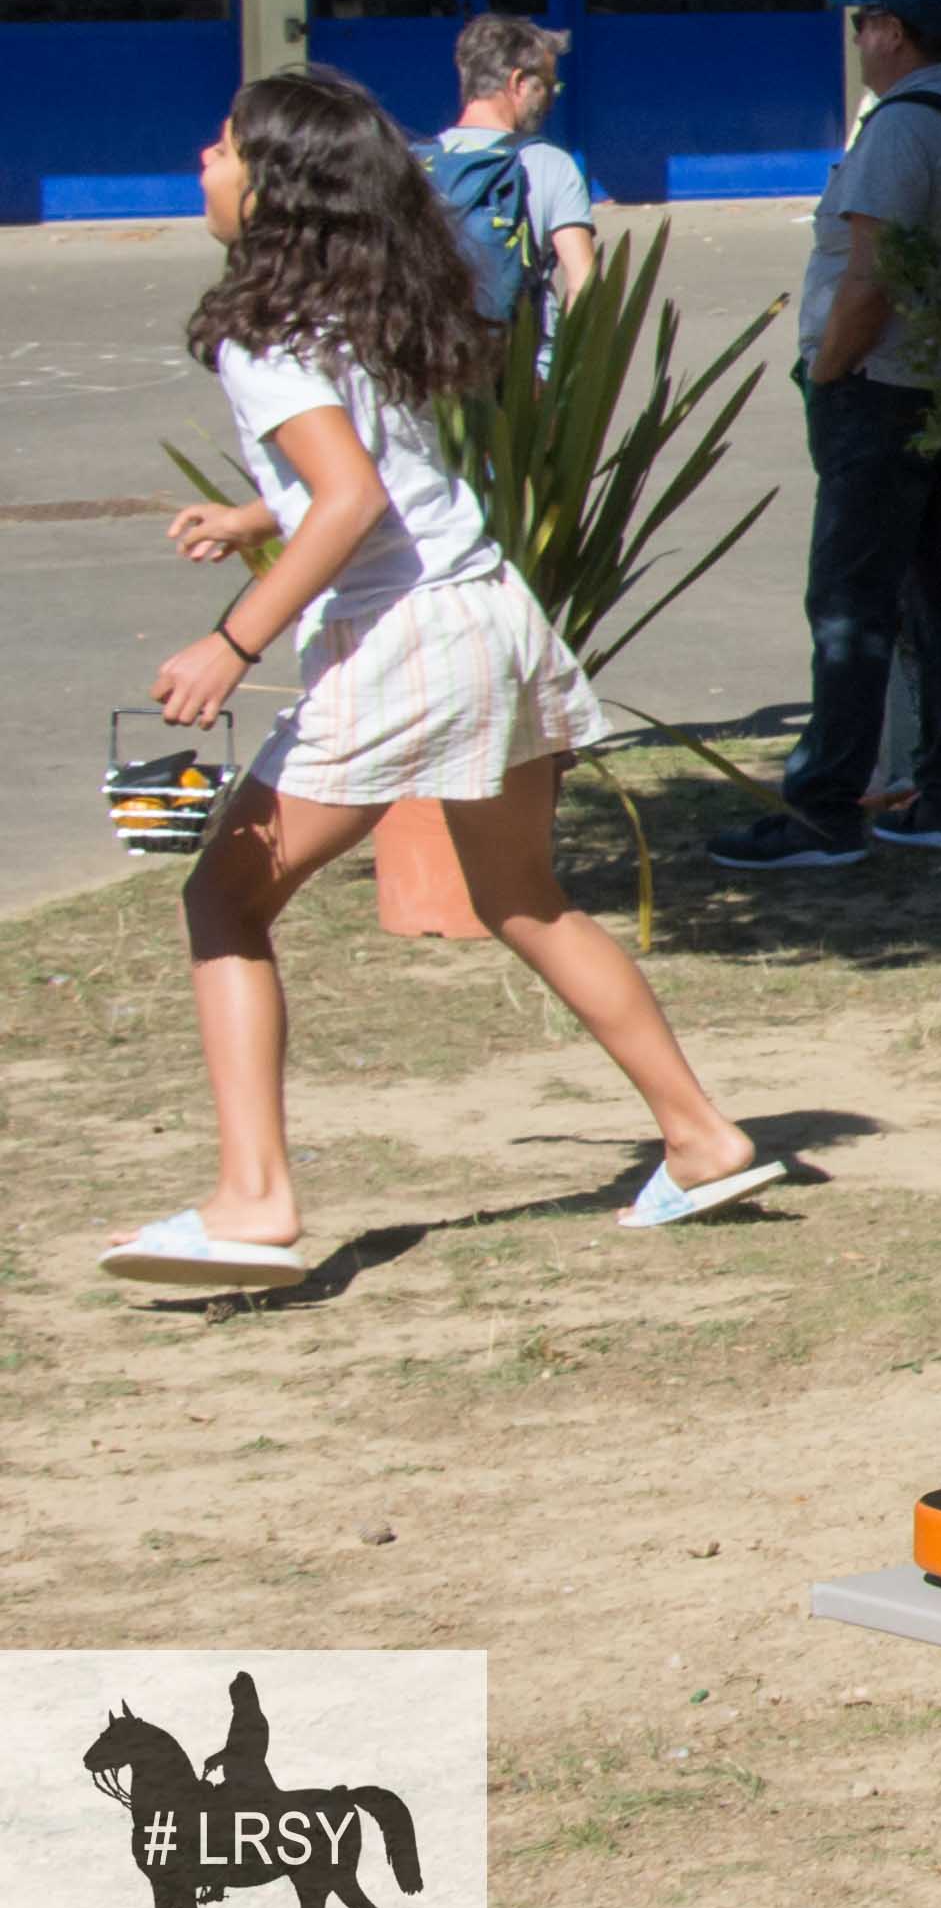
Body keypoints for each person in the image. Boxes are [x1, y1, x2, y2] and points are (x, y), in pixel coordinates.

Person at [97, 70, 776, 1290]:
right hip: (492, 615)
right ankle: (702, 1133)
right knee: (523, 894)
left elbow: (352, 499)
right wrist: (255, 507)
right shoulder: (350, 309)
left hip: (403, 640)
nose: (201, 158)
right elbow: (367, 476)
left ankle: (252, 1198)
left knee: (224, 902)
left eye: (222, 145)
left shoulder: (262, 334)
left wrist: (231, 639)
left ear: (277, 187)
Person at [708, 0, 941, 872]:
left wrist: (829, 371)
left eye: (863, 25)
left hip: (882, 390)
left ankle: (822, 808)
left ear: (895, 34)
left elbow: (870, 278)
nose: (856, 43)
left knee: (850, 601)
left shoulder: (903, 130)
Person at [424, 13, 600, 351]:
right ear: (518, 83)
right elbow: (584, 282)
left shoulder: (416, 162)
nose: (550, 99)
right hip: (522, 373)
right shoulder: (550, 164)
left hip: (437, 369)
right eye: (548, 86)